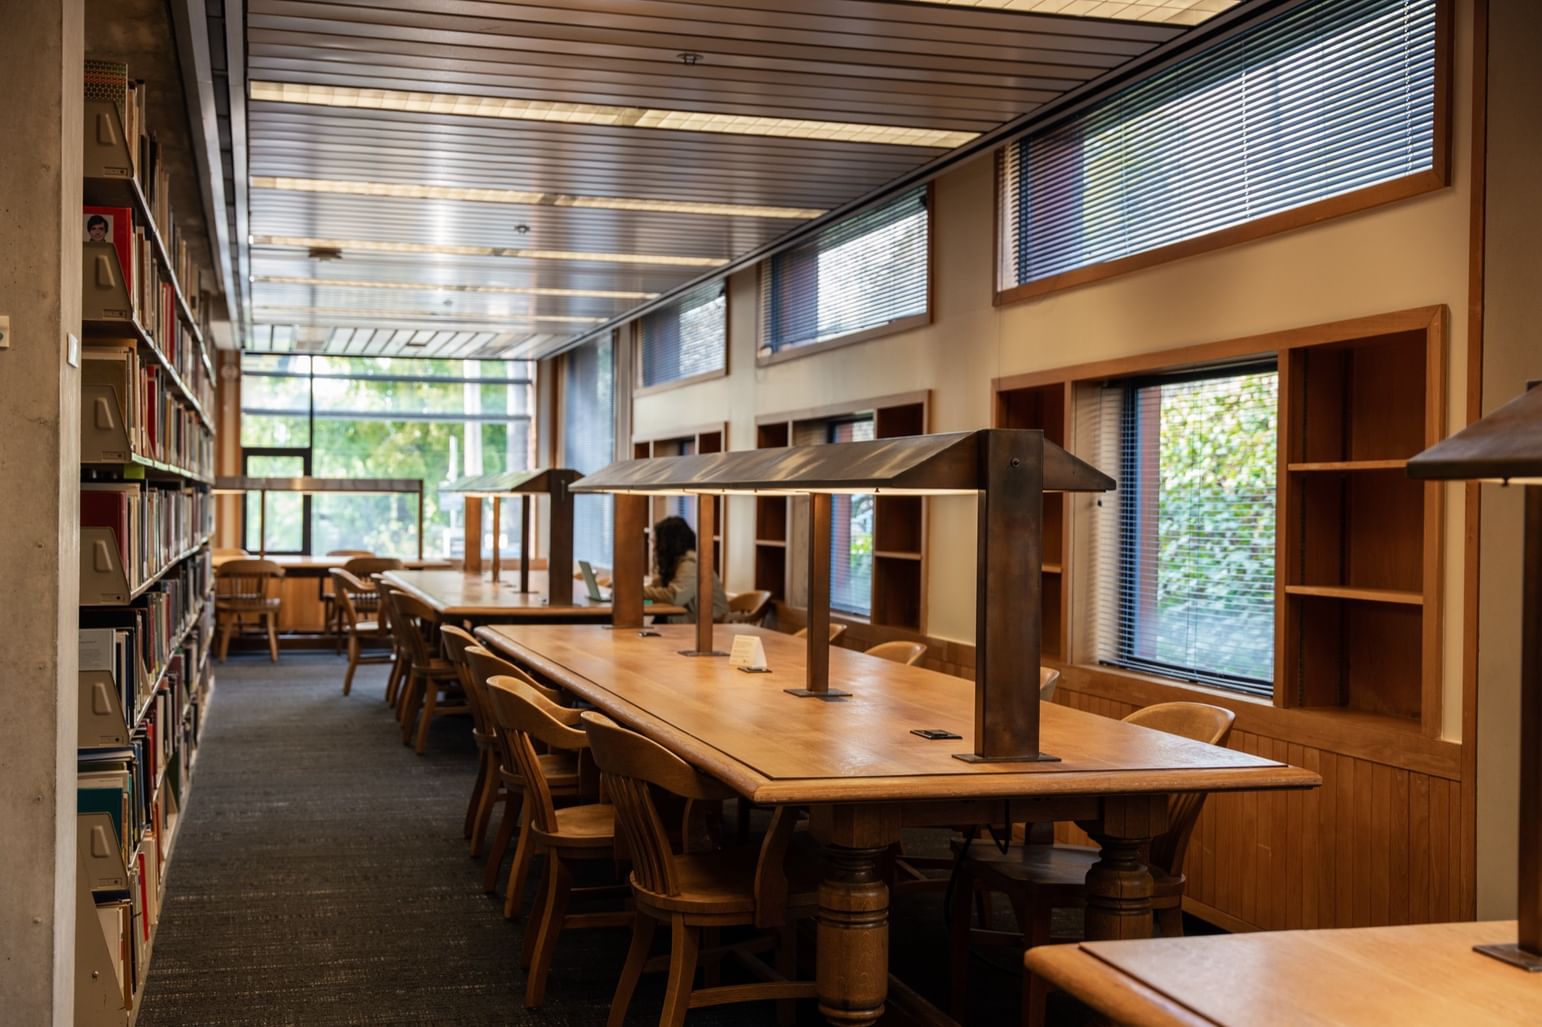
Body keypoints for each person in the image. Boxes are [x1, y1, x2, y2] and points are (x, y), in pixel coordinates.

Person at [644, 515, 729, 624]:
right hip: (688, 617)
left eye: (656, 542)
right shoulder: (674, 564)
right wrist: (640, 600)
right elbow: (653, 597)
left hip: (708, 624)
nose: (654, 547)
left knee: (657, 624)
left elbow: (674, 597)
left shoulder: (691, 565)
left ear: (668, 544)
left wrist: (640, 592)